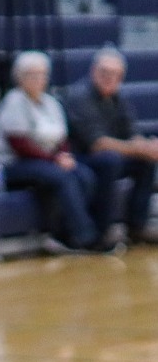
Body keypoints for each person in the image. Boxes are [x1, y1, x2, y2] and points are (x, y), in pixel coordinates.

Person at [0, 50, 107, 252]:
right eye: (32, 74)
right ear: (20, 77)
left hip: (48, 162)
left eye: (42, 74)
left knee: (84, 176)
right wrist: (55, 159)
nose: (38, 79)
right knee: (61, 176)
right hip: (14, 164)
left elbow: (62, 138)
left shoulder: (51, 103)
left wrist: (64, 156)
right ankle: (86, 237)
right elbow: (20, 144)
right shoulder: (14, 102)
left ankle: (66, 233)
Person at [66, 48, 158, 243]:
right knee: (110, 161)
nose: (109, 78)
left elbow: (131, 132)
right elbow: (98, 144)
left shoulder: (119, 97)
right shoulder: (79, 97)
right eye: (104, 72)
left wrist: (147, 146)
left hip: (111, 155)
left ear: (121, 77)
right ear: (93, 71)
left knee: (146, 161)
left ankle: (137, 226)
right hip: (80, 158)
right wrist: (140, 149)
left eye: (114, 74)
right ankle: (102, 231)